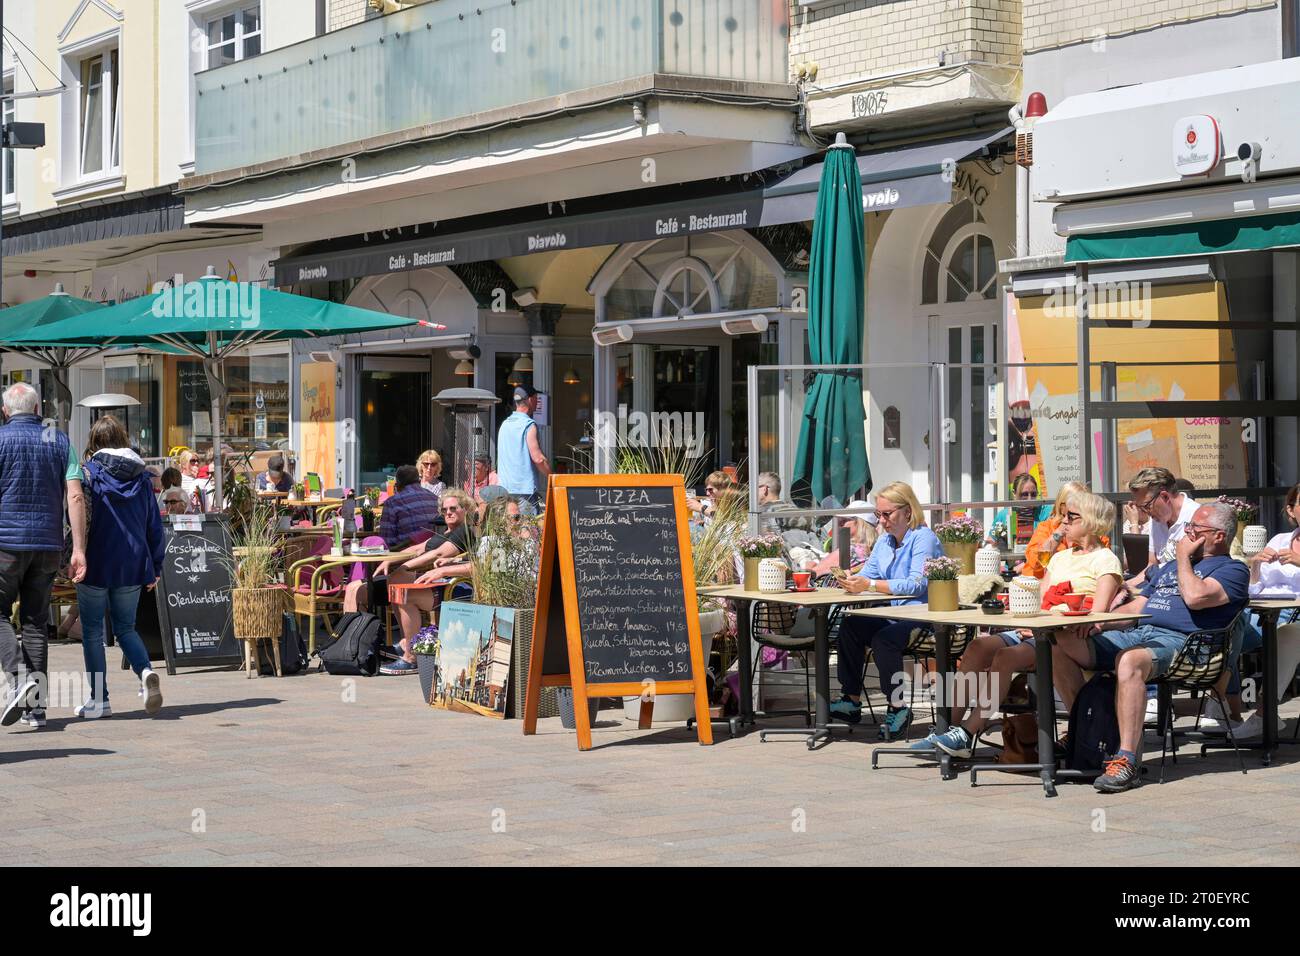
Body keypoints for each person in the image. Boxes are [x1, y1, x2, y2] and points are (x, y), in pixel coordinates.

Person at [1053, 502, 1249, 793]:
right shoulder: (1169, 568)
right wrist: (1098, 623)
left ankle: (1126, 760)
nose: (1187, 534)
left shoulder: (1232, 569)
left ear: (1219, 536)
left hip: (1185, 645)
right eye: (1188, 528)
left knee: (1129, 661)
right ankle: (1087, 733)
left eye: (1195, 529)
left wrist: (1182, 557)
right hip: (1141, 632)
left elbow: (1195, 597)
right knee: (1059, 643)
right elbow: (1139, 605)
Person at [913, 490, 1123, 758]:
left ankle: (967, 733)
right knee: (978, 646)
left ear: (1092, 521)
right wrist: (1024, 613)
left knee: (1005, 657)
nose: (1063, 522)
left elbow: (1099, 613)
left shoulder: (1105, 559)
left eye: (1071, 516)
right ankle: (947, 728)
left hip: (1060, 637)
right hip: (1037, 627)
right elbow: (1040, 597)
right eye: (1063, 515)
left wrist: (1046, 622)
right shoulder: (1060, 557)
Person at [0, 382, 88, 729]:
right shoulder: (57, 438)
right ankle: (36, 710)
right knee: (37, 621)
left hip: (6, 545)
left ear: (6, 411)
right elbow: (76, 496)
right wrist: (78, 548)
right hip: (49, 545)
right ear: (38, 410)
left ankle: (19, 677)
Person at [828, 481, 943, 737]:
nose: (882, 521)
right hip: (893, 614)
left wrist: (869, 584)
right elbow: (869, 573)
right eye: (879, 515)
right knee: (851, 625)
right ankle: (851, 698)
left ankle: (897, 706)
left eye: (887, 514)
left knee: (884, 639)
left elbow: (917, 584)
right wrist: (851, 580)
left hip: (923, 615)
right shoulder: (885, 541)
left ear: (908, 512)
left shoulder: (924, 538)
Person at [73, 415, 165, 719]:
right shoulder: (142, 478)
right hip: (133, 563)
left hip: (95, 561)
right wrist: (156, 565)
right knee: (126, 627)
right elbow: (155, 525)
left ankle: (99, 700)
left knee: (91, 632)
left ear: (95, 443)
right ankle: (145, 672)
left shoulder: (88, 474)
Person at [369, 489, 478, 675]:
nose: (448, 513)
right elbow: (417, 549)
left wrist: (405, 567)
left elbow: (438, 554)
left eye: (453, 508)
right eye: (444, 510)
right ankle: (407, 645)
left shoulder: (464, 531)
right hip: (442, 583)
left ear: (465, 509)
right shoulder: (445, 532)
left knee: (405, 594)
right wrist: (391, 560)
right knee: (396, 588)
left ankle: (412, 658)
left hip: (457, 587)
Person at [1126, 466, 1198, 586]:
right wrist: (1126, 585)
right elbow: (1152, 564)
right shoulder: (1158, 518)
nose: (1145, 512)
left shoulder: (1196, 517)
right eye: (1140, 507)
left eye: (1146, 506)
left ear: (1164, 496)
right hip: (1159, 586)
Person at [1020, 480, 1094, 579]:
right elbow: (1035, 561)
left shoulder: (1092, 531)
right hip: (1037, 587)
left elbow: (1104, 563)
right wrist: (1059, 532)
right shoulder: (1047, 527)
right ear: (1061, 506)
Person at [497, 384, 550, 508]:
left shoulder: (505, 425)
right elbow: (538, 458)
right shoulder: (528, 425)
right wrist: (552, 476)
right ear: (530, 400)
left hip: (505, 490)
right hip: (524, 492)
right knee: (527, 527)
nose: (538, 401)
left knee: (510, 527)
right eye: (537, 398)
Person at [377, 465, 441, 552]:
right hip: (434, 553)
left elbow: (387, 541)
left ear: (398, 483)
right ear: (419, 480)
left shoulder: (392, 502)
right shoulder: (435, 498)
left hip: (406, 556)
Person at [989, 473, 1052, 551]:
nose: (1030, 499)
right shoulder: (1004, 514)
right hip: (1012, 561)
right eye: (1024, 494)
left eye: (1033, 494)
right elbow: (991, 543)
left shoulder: (1047, 511)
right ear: (1014, 493)